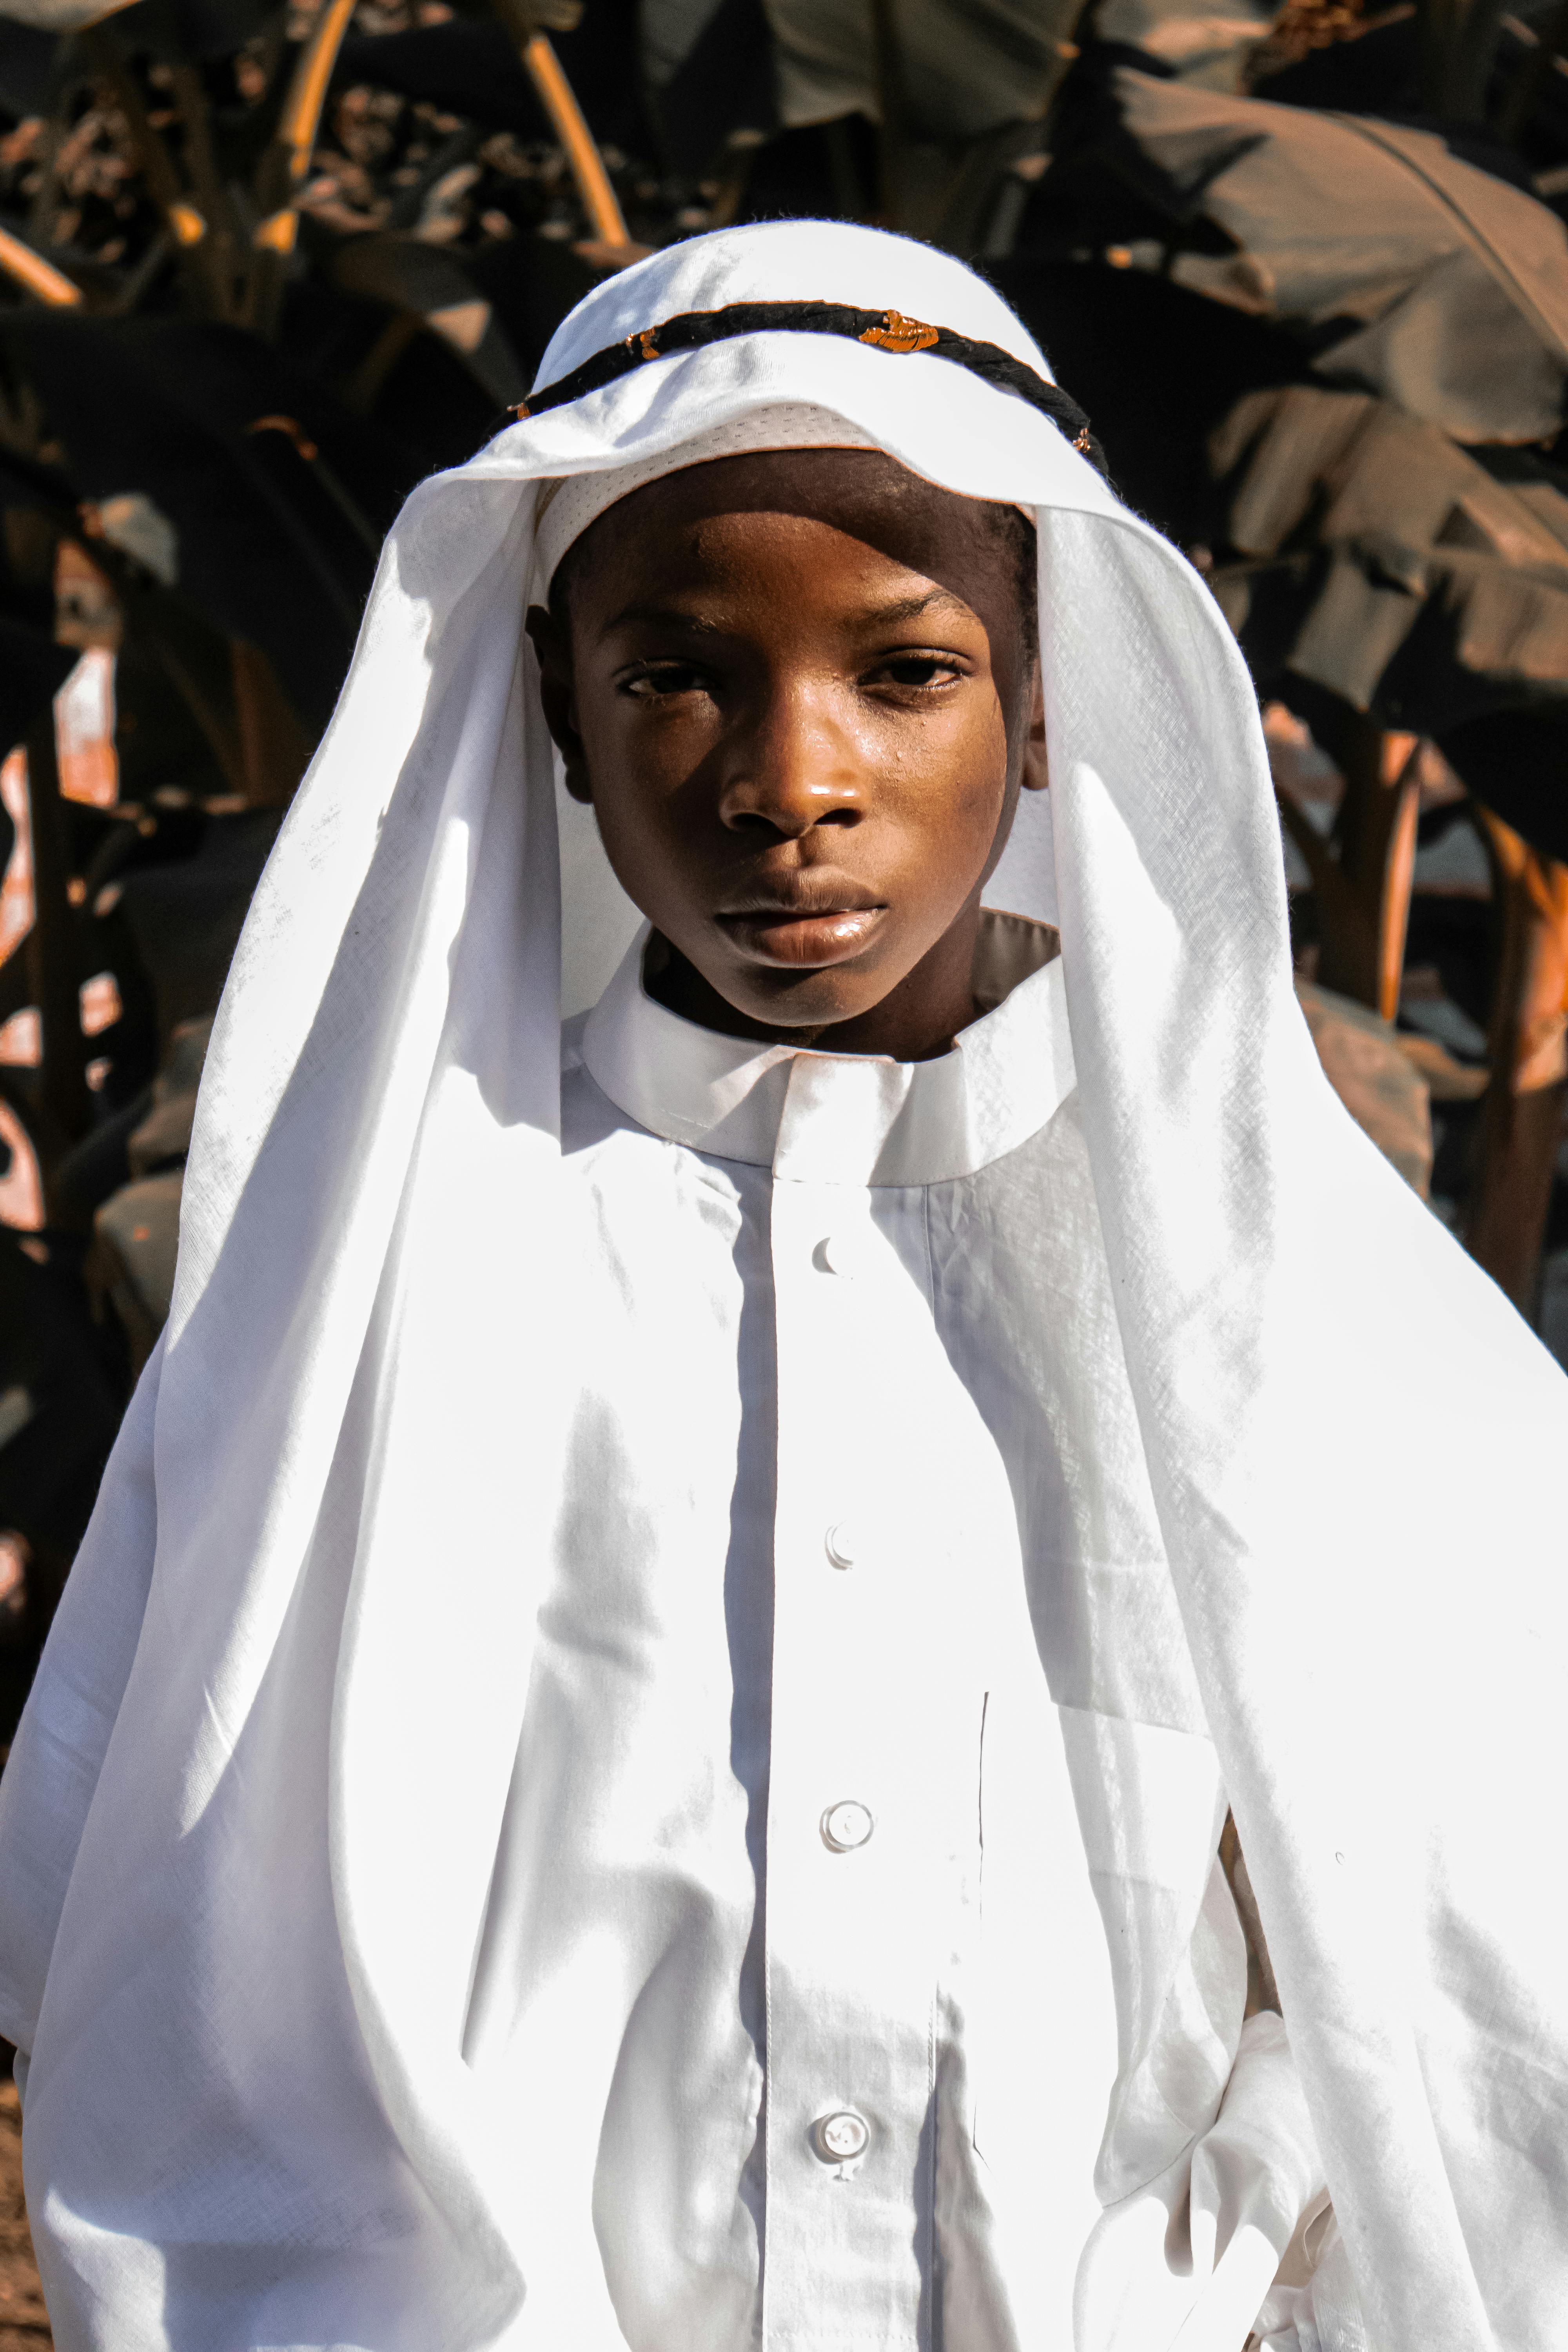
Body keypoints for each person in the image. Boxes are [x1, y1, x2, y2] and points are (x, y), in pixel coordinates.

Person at [0, 221, 1562, 2352]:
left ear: (1039, 708)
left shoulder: (1268, 1301)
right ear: (554, 711)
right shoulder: (401, 1288)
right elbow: (214, 2000)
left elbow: (1457, 1982)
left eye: (905, 671)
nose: (788, 779)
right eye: (674, 672)